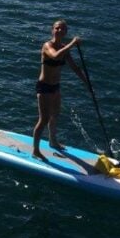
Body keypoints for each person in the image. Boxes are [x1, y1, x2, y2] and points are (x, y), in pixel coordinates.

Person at [32, 19, 89, 160]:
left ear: (65, 32)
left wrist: (87, 84)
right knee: (44, 119)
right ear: (52, 30)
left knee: (55, 115)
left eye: (63, 29)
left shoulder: (65, 48)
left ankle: (52, 140)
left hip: (55, 86)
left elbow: (75, 68)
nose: (59, 31)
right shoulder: (47, 45)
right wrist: (72, 44)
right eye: (57, 28)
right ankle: (35, 150)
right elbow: (55, 55)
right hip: (44, 86)